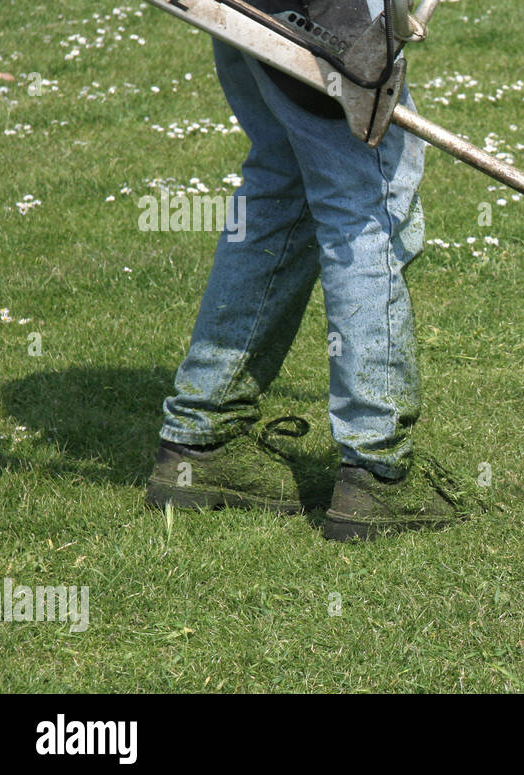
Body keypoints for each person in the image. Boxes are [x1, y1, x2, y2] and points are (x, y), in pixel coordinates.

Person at [145, 25, 460, 541]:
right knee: (366, 194)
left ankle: (204, 436)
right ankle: (377, 472)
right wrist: (356, 39)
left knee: (283, 174)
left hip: (251, 11)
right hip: (320, 15)